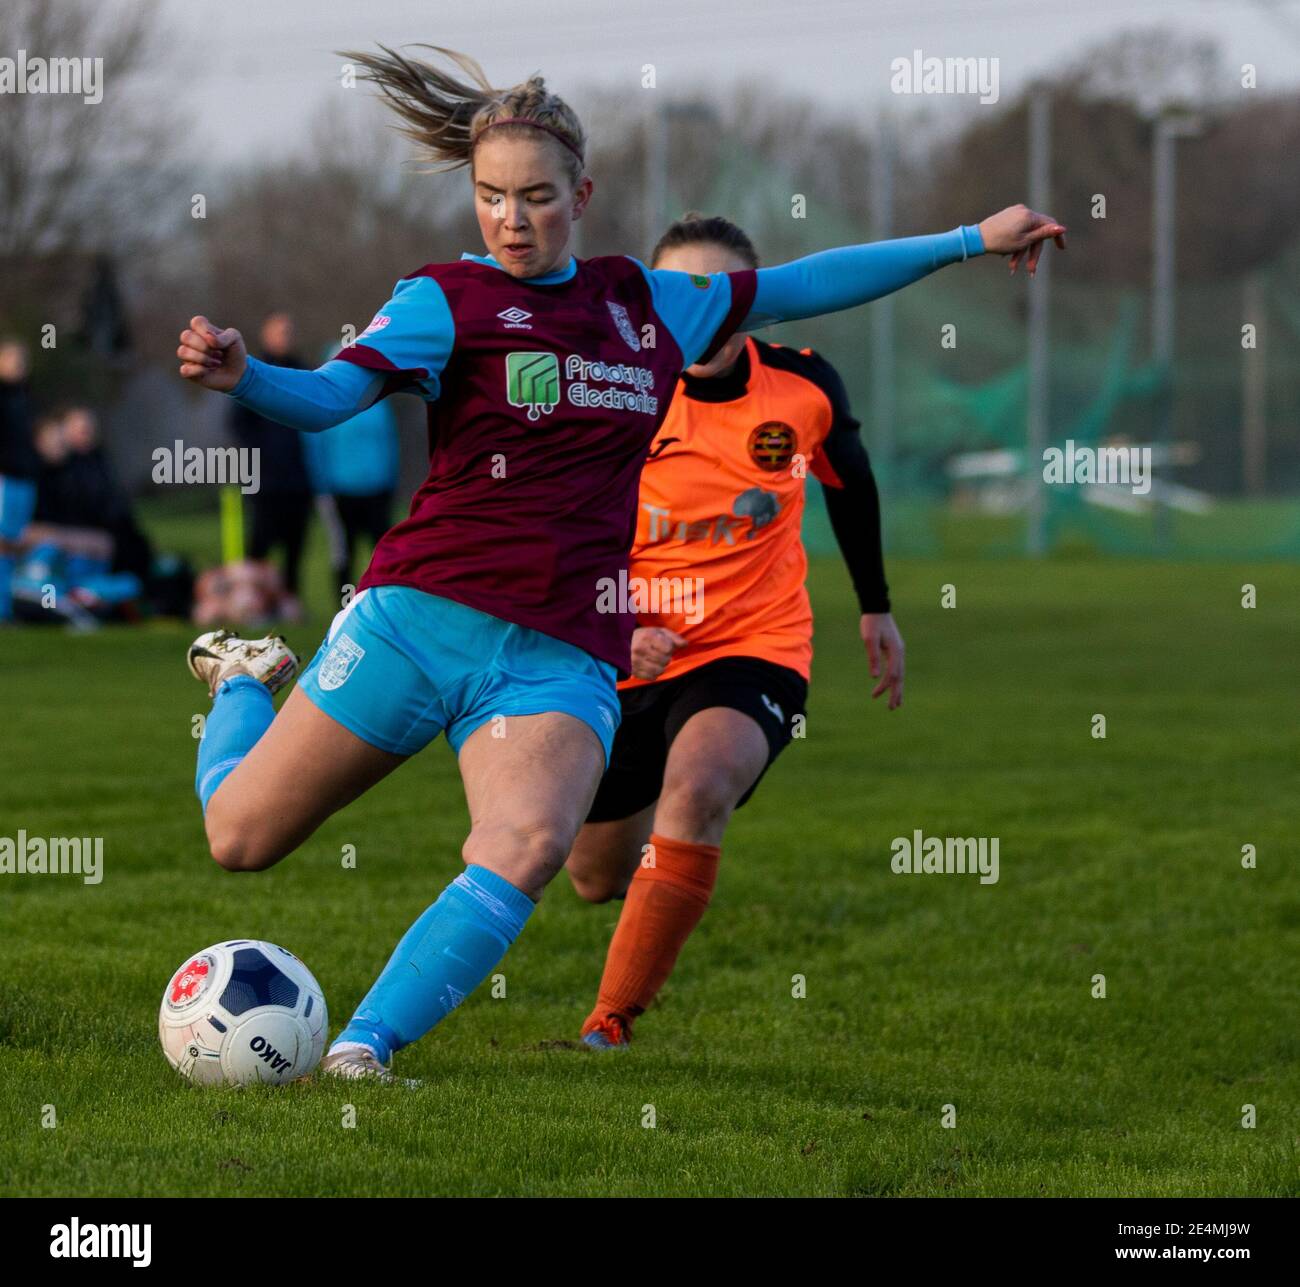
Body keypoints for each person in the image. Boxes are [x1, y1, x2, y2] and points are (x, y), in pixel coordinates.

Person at [173, 43, 1066, 1083]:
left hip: (557, 655)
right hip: (419, 618)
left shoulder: (648, 305)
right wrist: (249, 376)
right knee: (239, 838)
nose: (511, 219)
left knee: (526, 846)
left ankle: (364, 1050)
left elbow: (813, 280)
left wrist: (967, 239)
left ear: (582, 194)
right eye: (491, 197)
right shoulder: (443, 300)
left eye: (537, 198)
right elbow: (333, 396)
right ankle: (241, 679)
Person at [566, 214, 906, 1048]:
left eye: (725, 296)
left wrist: (876, 604)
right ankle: (660, 853)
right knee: (591, 874)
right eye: (684, 295)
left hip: (754, 645)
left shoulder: (804, 386)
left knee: (702, 782)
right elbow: (555, 536)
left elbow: (851, 487)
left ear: (754, 307)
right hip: (623, 650)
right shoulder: (612, 395)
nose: (707, 314)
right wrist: (616, 624)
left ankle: (609, 1022)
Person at [229, 312, 313, 616]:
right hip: (264, 480)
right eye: (279, 331)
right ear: (266, 335)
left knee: (295, 547)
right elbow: (239, 424)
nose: (285, 337)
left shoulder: (304, 371)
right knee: (259, 546)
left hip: (299, 480)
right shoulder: (253, 371)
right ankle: (253, 607)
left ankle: (289, 606)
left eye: (289, 331)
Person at [302, 343, 399, 601]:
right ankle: (344, 606)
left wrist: (389, 479)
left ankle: (383, 603)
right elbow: (315, 448)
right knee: (344, 550)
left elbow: (388, 441)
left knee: (383, 550)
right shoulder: (322, 402)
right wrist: (322, 488)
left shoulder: (377, 402)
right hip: (340, 491)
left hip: (376, 489)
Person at [0, 339, 40, 624]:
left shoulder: (26, 397)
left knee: (15, 544)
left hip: (24, 479)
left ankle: (10, 606)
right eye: (13, 359)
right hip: (6, 478)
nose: (19, 365)